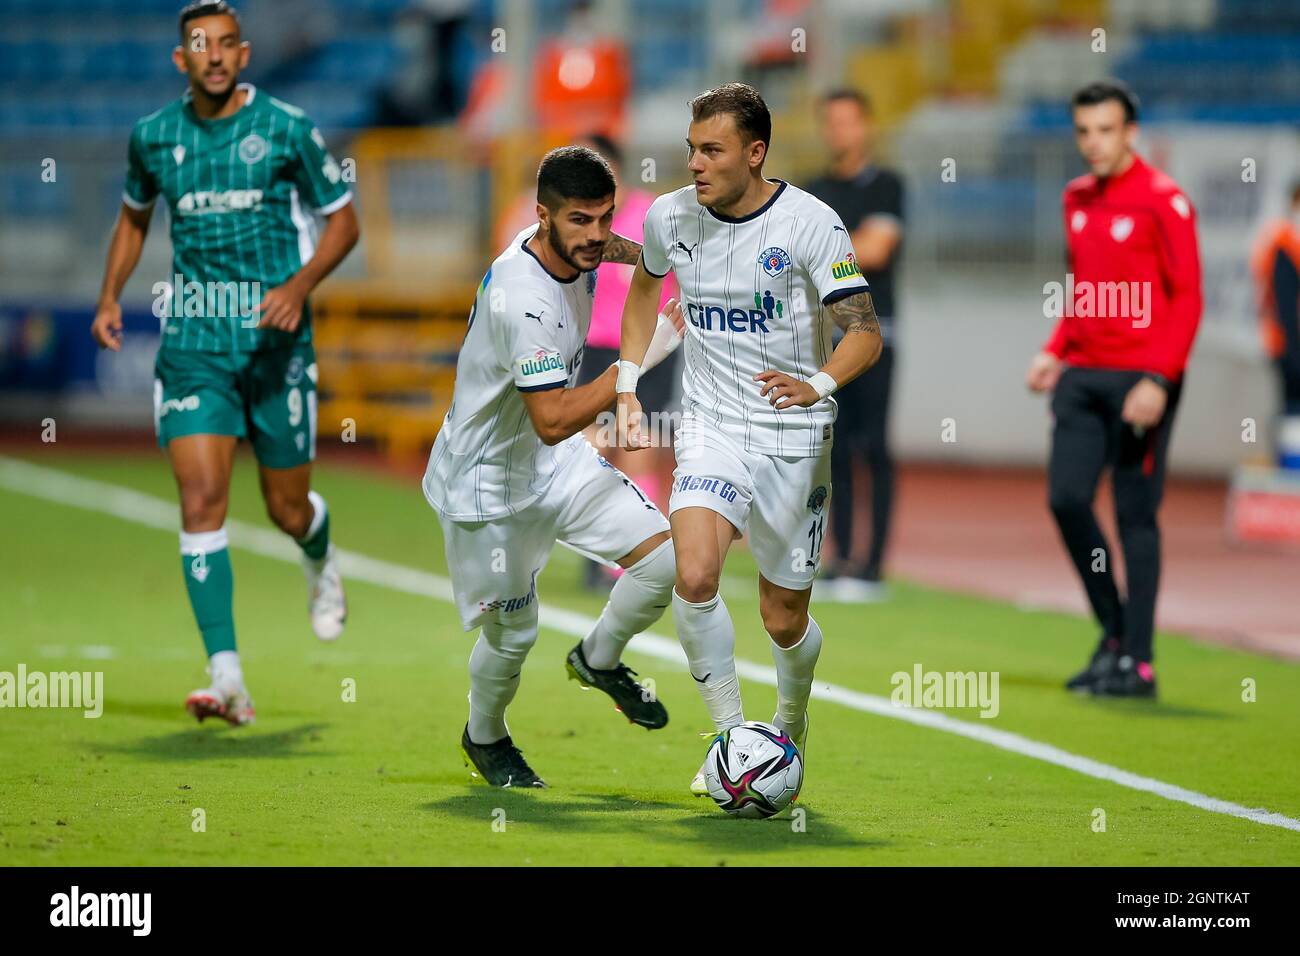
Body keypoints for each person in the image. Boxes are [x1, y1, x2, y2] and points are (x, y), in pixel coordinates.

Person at [90, 0, 360, 726]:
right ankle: (226, 675)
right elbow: (134, 214)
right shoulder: (152, 137)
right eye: (198, 45)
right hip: (196, 347)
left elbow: (344, 220)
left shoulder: (288, 128)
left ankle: (318, 553)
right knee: (201, 498)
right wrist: (110, 294)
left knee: (285, 508)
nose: (213, 55)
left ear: (243, 55)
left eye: (226, 44)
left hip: (276, 347)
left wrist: (298, 288)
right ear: (182, 60)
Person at [615, 83, 883, 794]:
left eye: (713, 150)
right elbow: (645, 290)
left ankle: (790, 727)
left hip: (795, 437)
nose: (696, 164)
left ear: (755, 153)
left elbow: (864, 331)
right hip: (709, 428)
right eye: (691, 149)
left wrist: (818, 384)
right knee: (695, 572)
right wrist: (626, 383)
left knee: (782, 613)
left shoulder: (811, 224)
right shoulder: (670, 217)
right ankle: (734, 740)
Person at [422, 146, 686, 788]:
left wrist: (663, 256)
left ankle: (599, 658)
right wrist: (639, 361)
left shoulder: (565, 245)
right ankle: (484, 736)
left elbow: (610, 248)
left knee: (666, 559)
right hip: (487, 485)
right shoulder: (525, 301)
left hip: (553, 462)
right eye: (580, 221)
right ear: (543, 217)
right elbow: (554, 416)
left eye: (605, 218)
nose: (596, 235)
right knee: (514, 636)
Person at [1025, 80, 1202, 699]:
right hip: (1083, 376)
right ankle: (1114, 632)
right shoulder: (1076, 197)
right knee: (1067, 498)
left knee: (1134, 516)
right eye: (1083, 131)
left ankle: (1140, 661)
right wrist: (1055, 349)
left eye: (1105, 130)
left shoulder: (1164, 200)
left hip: (1141, 380)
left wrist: (1159, 379)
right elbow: (1084, 287)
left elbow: (1187, 298)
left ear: (1131, 132)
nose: (1093, 143)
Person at [805, 88, 904, 601]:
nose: (839, 130)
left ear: (865, 126)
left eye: (849, 121)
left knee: (873, 445)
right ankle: (840, 559)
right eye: (831, 121)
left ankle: (873, 565)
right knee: (834, 447)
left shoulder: (887, 184)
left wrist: (823, 254)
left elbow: (877, 250)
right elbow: (850, 251)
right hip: (825, 334)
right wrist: (845, 250)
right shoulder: (814, 189)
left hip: (878, 328)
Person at [571, 134, 679, 590]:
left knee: (638, 444)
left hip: (646, 349)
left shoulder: (649, 215)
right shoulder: (573, 223)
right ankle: (598, 550)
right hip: (595, 346)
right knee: (593, 448)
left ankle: (640, 554)